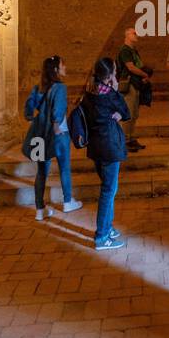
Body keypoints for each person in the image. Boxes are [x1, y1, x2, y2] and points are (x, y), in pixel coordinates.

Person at [24, 56, 84, 221]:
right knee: (64, 167)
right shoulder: (60, 88)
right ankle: (67, 201)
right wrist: (57, 125)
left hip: (39, 134)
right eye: (63, 65)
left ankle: (39, 209)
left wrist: (33, 117)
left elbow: (29, 107)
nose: (65, 67)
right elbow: (57, 110)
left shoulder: (38, 88)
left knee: (41, 172)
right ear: (56, 70)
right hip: (57, 133)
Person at [82, 57, 130, 250]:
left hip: (95, 147)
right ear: (110, 75)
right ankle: (101, 237)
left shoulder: (89, 94)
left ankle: (107, 228)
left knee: (108, 189)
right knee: (108, 191)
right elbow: (126, 111)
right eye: (115, 71)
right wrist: (116, 90)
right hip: (109, 147)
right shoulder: (109, 94)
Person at [116, 27, 150, 151]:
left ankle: (130, 138)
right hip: (129, 85)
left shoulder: (133, 50)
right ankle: (125, 140)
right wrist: (144, 74)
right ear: (127, 35)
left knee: (134, 114)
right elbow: (130, 67)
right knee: (128, 113)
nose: (137, 35)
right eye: (134, 33)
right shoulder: (125, 50)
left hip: (136, 84)